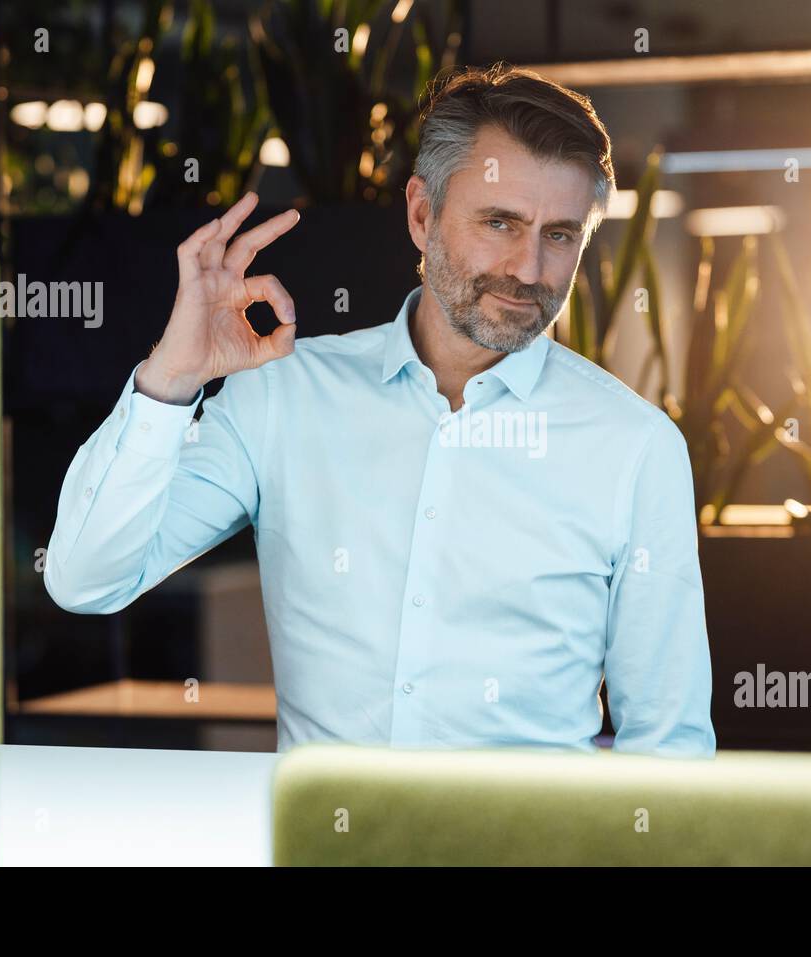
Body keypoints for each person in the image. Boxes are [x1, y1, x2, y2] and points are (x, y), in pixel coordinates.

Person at [44, 63, 715, 758]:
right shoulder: (285, 393)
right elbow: (86, 578)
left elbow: (669, 746)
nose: (529, 270)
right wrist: (171, 377)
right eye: (500, 222)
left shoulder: (635, 448)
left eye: (560, 235)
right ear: (421, 214)